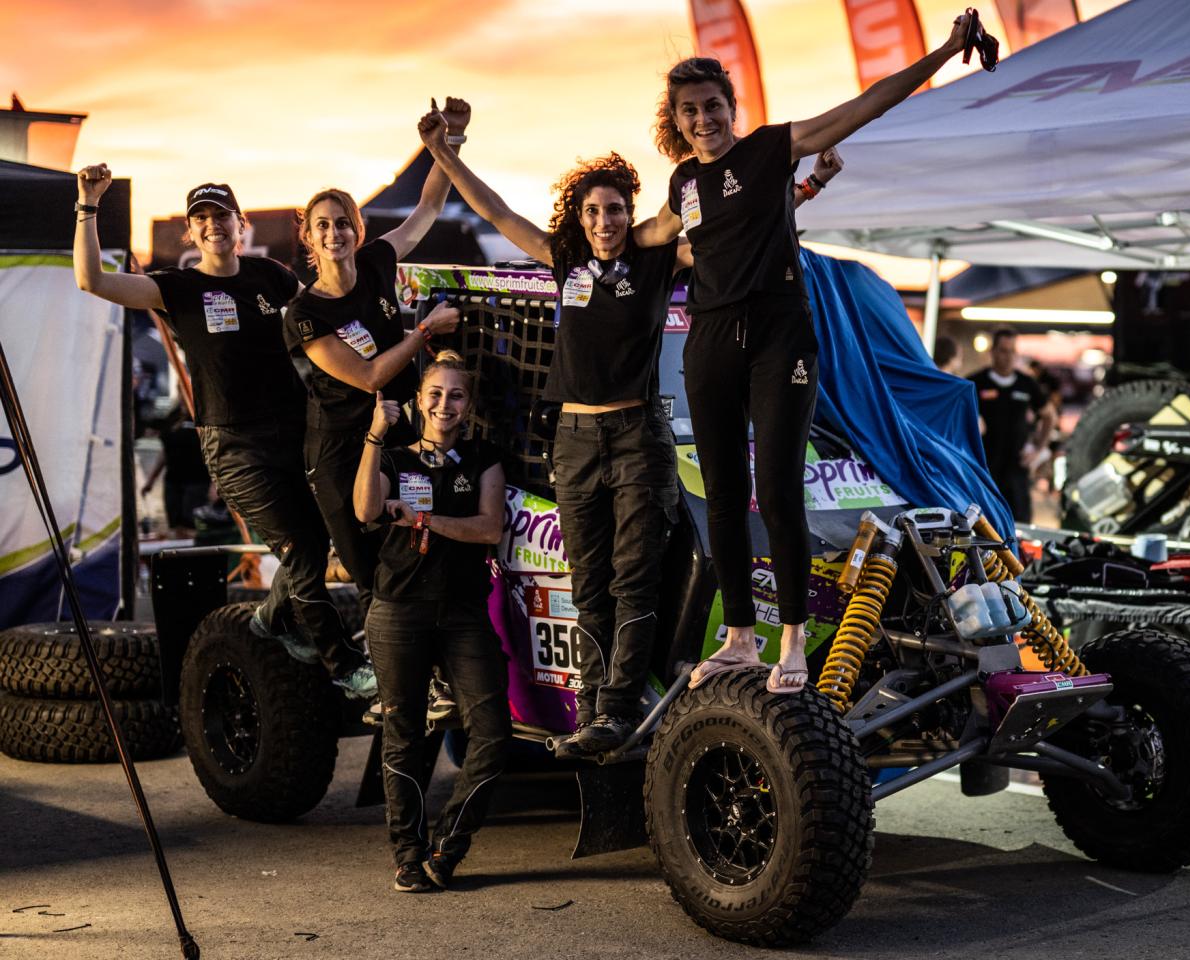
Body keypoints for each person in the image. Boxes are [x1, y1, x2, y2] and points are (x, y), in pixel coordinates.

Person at [413, 111, 840, 747]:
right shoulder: (563, 258)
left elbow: (738, 235)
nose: (605, 222)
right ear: (577, 216)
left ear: (629, 211)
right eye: (592, 211)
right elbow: (496, 209)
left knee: (632, 578)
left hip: (639, 439)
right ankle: (590, 712)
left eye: (615, 210)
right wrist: (441, 155)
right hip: (575, 441)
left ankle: (616, 712)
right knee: (589, 583)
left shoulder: (658, 255)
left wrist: (803, 190)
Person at [637, 14, 974, 694]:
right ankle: (738, 638)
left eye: (712, 106)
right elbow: (652, 236)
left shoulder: (766, 149)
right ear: (675, 121)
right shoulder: (682, 184)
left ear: (733, 108)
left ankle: (790, 642)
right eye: (689, 111)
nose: (703, 118)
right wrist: (574, 235)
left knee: (777, 492)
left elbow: (864, 105)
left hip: (779, 338)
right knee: (724, 498)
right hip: (709, 341)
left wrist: (941, 50)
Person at [72, 167, 373, 696]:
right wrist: (88, 206)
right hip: (234, 444)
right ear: (192, 233)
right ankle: (343, 664)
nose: (213, 225)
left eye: (221, 215)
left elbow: (324, 316)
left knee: (325, 532)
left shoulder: (272, 276)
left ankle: (273, 618)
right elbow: (91, 281)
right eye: (202, 218)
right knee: (302, 548)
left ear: (241, 224)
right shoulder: (176, 287)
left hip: (299, 430)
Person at [283, 99, 468, 618]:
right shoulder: (304, 311)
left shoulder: (376, 261)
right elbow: (367, 377)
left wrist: (450, 137)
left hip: (398, 434)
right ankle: (385, 686)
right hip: (341, 447)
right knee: (366, 566)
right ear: (309, 237)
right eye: (322, 226)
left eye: (343, 223)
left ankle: (424, 673)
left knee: (411, 545)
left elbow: (427, 209)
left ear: (357, 230)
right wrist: (425, 331)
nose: (334, 233)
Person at [353, 350, 509, 893]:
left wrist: (423, 518)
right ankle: (406, 855)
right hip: (398, 610)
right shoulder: (394, 459)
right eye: (436, 394)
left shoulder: (483, 459)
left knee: (492, 733)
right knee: (404, 736)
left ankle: (447, 848)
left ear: (469, 405)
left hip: (464, 612)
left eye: (457, 395)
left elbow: (488, 527)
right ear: (419, 400)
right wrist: (375, 437)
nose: (446, 404)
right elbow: (367, 510)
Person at [968, 328, 1056, 523]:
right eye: (1003, 350)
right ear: (992, 351)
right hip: (984, 470)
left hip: (1017, 469)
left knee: (1020, 525)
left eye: (1012, 351)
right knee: (982, 524)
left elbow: (1049, 416)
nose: (1008, 356)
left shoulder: (1027, 384)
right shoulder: (975, 382)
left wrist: (1038, 449)